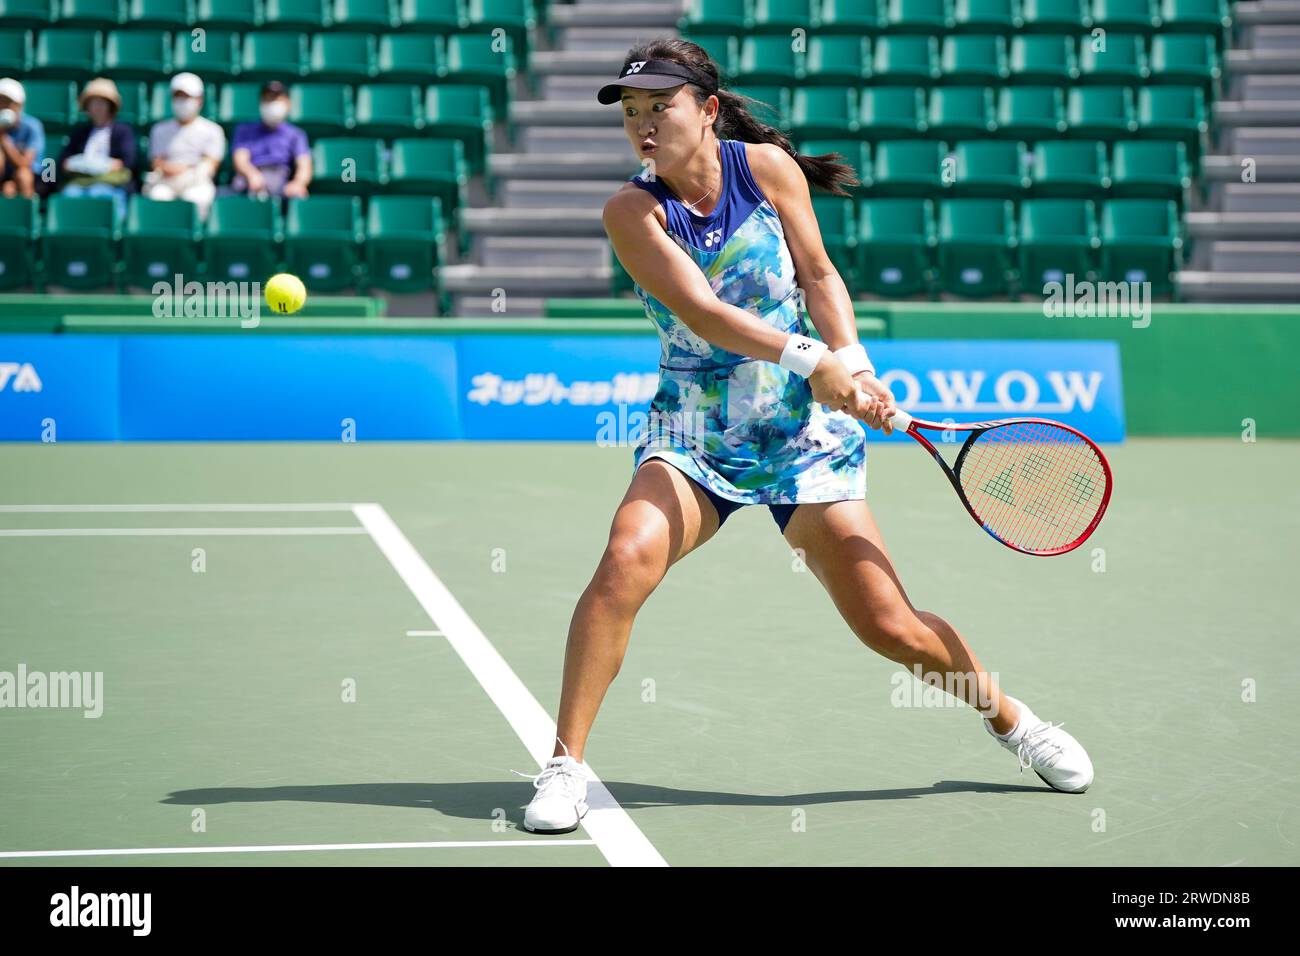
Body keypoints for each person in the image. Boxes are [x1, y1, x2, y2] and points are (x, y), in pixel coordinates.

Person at [519, 38, 1095, 835]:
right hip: (698, 429)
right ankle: (565, 765)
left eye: (661, 106)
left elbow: (820, 276)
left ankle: (1012, 721)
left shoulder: (768, 171)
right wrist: (814, 358)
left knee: (890, 626)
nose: (643, 124)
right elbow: (705, 315)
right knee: (624, 560)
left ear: (708, 109)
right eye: (631, 112)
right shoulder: (632, 212)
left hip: (804, 433)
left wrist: (854, 365)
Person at [142, 72, 225, 218]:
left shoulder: (213, 130)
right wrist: (168, 168)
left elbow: (211, 163)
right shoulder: (159, 129)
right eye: (178, 96)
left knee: (195, 201)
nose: (182, 102)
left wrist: (187, 170)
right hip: (166, 181)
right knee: (157, 197)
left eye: (187, 97)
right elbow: (156, 161)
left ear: (199, 100)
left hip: (196, 181)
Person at [57, 77, 137, 221]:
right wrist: (79, 164)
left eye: (101, 103)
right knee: (69, 195)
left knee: (98, 194)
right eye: (93, 103)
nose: (97, 107)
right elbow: (63, 161)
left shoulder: (123, 131)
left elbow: (127, 161)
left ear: (110, 106)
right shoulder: (80, 132)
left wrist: (102, 165)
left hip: (109, 185)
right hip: (79, 183)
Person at [228, 80, 311, 200]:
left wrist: (298, 183)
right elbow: (240, 159)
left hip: (279, 178)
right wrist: (251, 174)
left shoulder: (296, 134)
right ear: (260, 103)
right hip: (248, 179)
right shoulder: (244, 130)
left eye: (277, 99)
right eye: (268, 99)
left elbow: (304, 164)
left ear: (288, 104)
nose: (272, 104)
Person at [0, 78, 44, 199]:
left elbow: (24, 164)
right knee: (8, 189)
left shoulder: (32, 127)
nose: (3, 107)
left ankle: (29, 214)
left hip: (32, 177)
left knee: (23, 176)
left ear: (19, 105)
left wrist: (3, 140)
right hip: (5, 177)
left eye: (7, 102)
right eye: (0, 102)